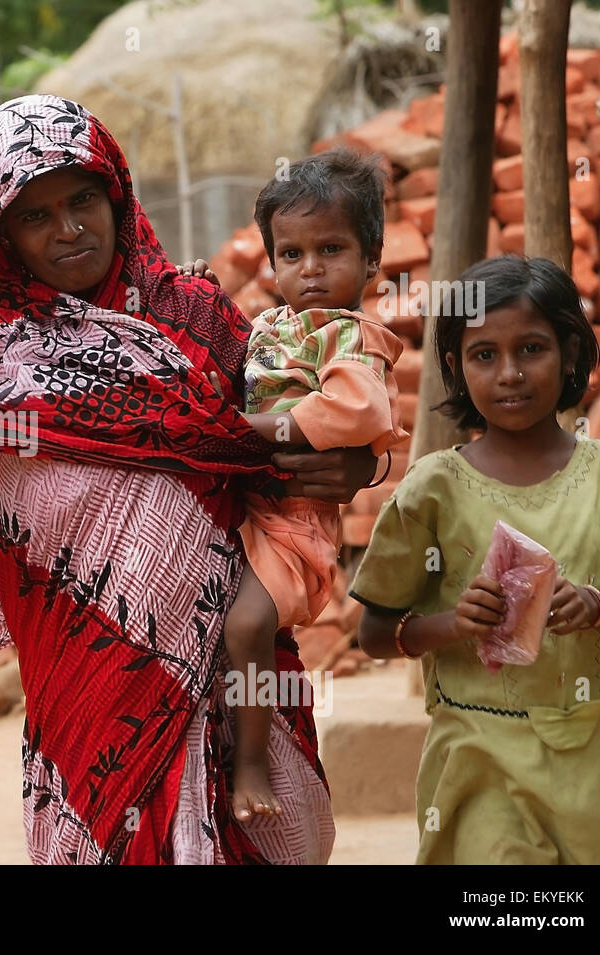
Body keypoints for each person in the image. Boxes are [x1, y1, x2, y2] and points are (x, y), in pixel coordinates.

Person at [0, 95, 378, 864]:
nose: (68, 228)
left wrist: (362, 462)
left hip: (221, 670)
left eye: (83, 198)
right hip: (82, 672)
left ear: (116, 194)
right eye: (34, 214)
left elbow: (280, 436)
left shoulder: (193, 317)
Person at [351, 255, 600, 864]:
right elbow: (374, 635)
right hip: (479, 759)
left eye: (532, 348)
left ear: (569, 354)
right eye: (484, 355)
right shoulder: (433, 488)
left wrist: (598, 608)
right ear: (454, 367)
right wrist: (455, 623)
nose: (509, 373)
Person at [213, 149, 408, 823]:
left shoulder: (353, 338)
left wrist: (252, 430)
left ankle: (253, 761)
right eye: (291, 254)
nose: (312, 270)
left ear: (373, 258)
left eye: (332, 249)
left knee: (247, 624)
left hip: (295, 527)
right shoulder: (270, 327)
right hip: (247, 511)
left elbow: (357, 414)